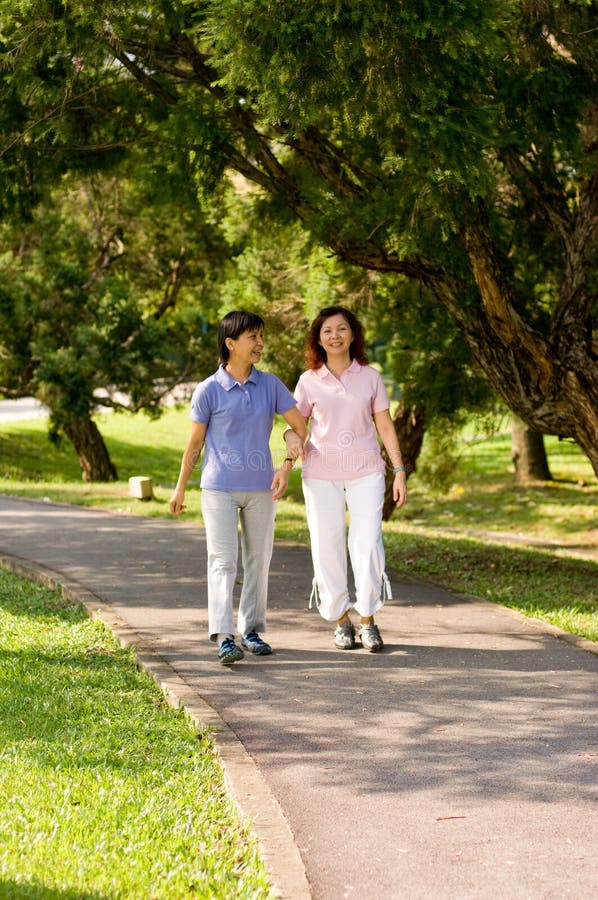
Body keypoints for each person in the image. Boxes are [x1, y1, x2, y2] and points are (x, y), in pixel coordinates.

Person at [170, 311, 307, 666]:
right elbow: (194, 445)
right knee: (223, 561)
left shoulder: (271, 385)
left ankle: (251, 630)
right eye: (252, 337)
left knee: (259, 561)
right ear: (230, 343)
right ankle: (225, 636)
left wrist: (286, 464)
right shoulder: (209, 390)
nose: (260, 343)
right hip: (219, 489)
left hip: (262, 488)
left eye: (261, 336)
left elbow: (299, 427)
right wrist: (180, 488)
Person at [285, 306, 407, 652]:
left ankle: (367, 618)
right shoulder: (309, 380)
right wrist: (290, 443)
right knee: (327, 545)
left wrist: (399, 470)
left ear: (353, 334)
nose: (335, 336)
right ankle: (340, 620)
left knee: (367, 543)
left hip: (366, 471)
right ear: (318, 339)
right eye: (327, 331)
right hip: (320, 474)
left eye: (341, 329)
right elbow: (296, 426)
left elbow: (384, 424)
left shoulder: (370, 377)